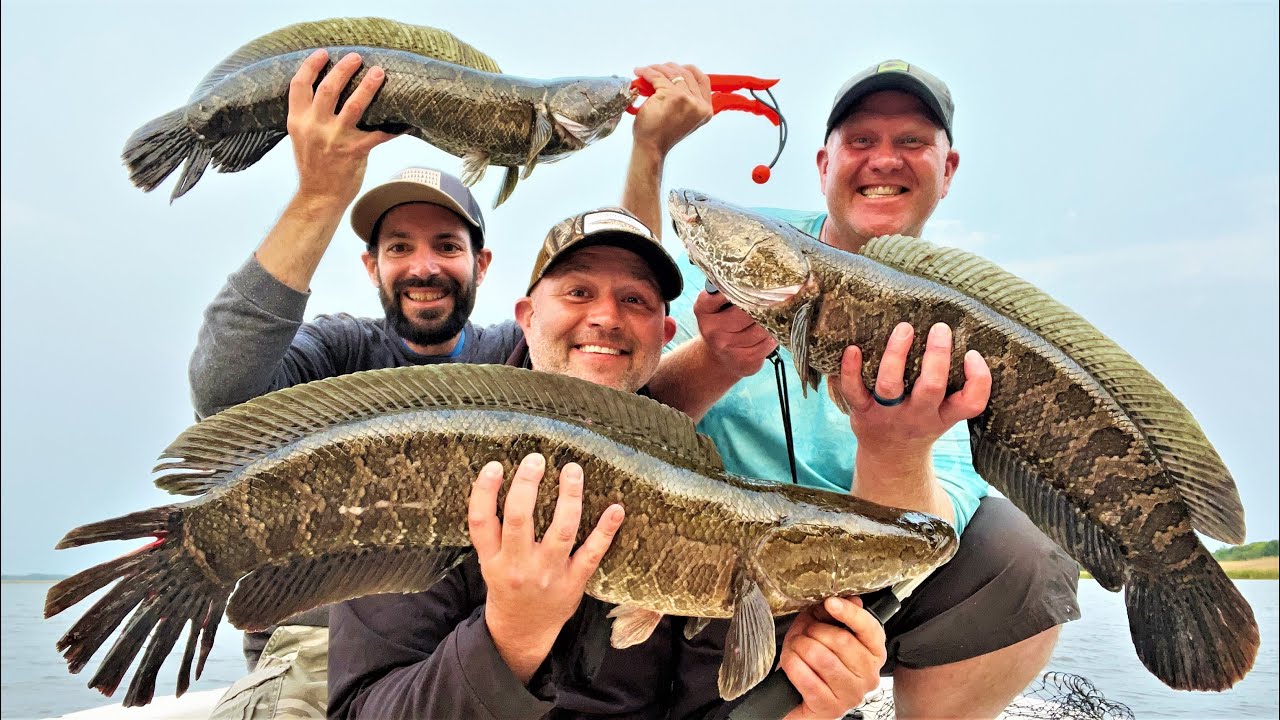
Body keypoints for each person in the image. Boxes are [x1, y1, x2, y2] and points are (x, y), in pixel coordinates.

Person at [191, 49, 716, 719]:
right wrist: (320, 193)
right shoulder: (339, 349)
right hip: (317, 630)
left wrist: (648, 154)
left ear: (481, 262)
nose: (423, 265)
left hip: (464, 625)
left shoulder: (513, 364)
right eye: (399, 246)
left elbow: (608, 361)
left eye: (445, 244)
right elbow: (223, 395)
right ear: (371, 264)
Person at [328, 207, 886, 720]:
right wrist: (512, 637)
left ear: (664, 335)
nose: (605, 317)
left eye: (635, 300)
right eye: (577, 291)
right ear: (525, 317)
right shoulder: (429, 464)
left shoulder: (706, 490)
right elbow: (362, 708)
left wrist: (807, 704)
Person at [648, 60, 1082, 718]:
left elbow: (921, 537)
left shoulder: (957, 325)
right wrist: (714, 358)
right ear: (823, 165)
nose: (884, 160)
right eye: (860, 141)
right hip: (713, 567)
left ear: (948, 168)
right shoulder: (728, 253)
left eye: (911, 142)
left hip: (856, 580)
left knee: (1026, 556)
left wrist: (897, 448)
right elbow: (621, 400)